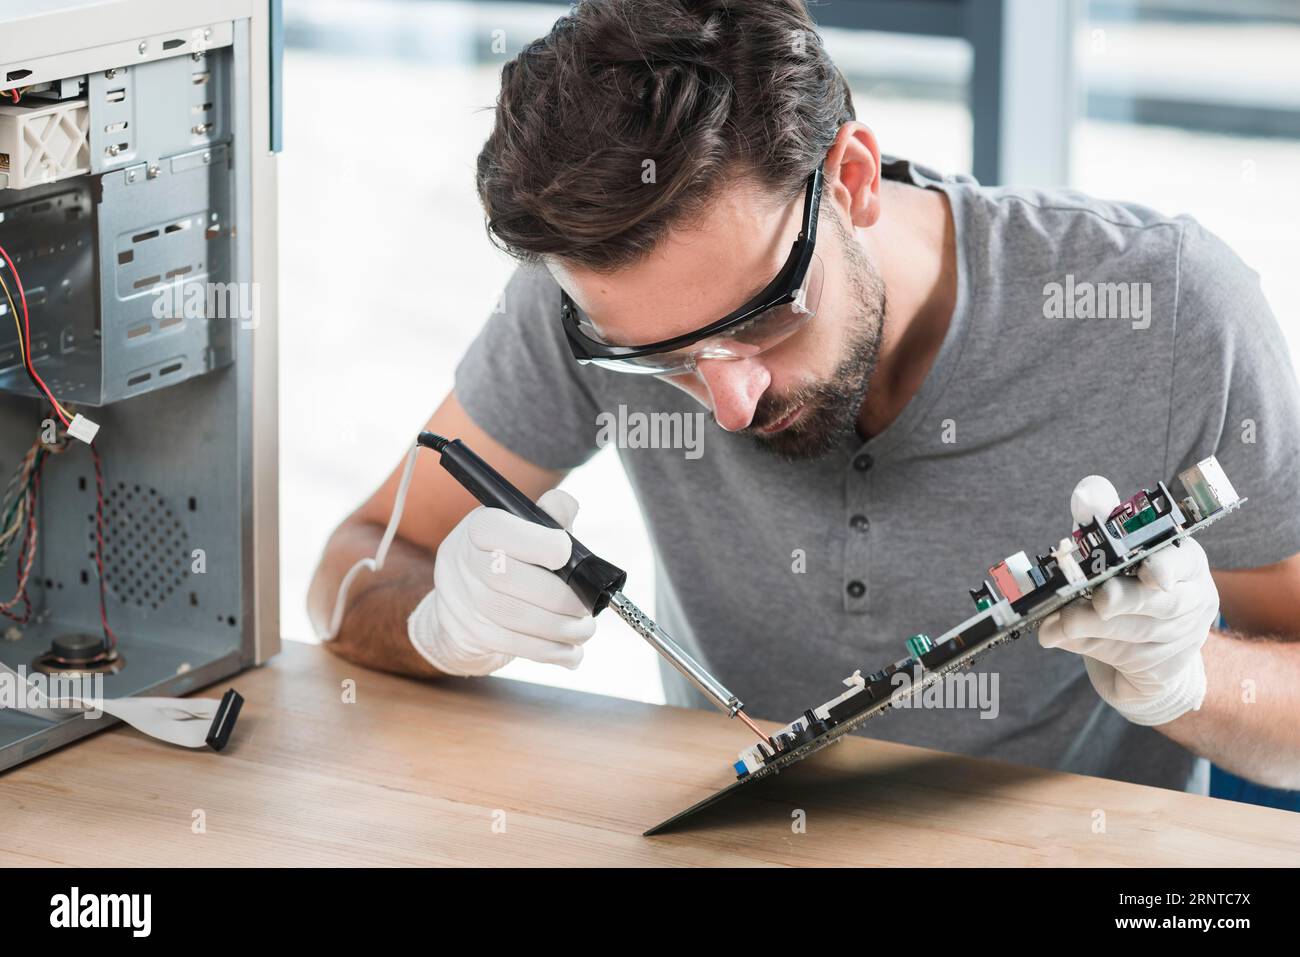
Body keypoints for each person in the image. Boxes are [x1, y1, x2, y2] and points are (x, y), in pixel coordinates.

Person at [308, 0, 1300, 793]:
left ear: (853, 179)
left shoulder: (1166, 309)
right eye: (662, 361)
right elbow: (350, 569)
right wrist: (436, 622)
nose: (728, 404)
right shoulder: (597, 308)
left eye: (763, 319)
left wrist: (1189, 677)